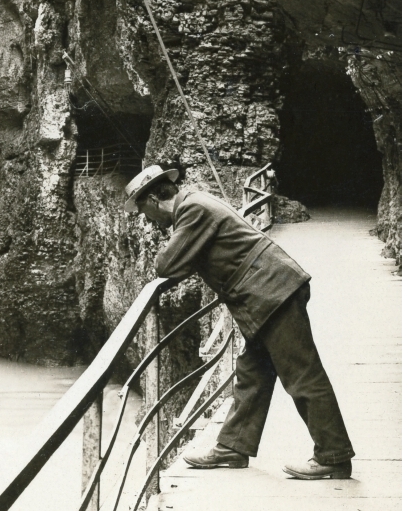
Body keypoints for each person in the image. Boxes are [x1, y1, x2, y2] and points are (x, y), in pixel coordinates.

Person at [123, 165, 355, 480]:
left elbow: (167, 265)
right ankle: (233, 448)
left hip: (273, 293)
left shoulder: (192, 209)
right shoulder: (195, 201)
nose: (146, 219)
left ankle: (334, 456)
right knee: (252, 372)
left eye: (143, 211)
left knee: (302, 374)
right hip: (266, 294)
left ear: (152, 200)